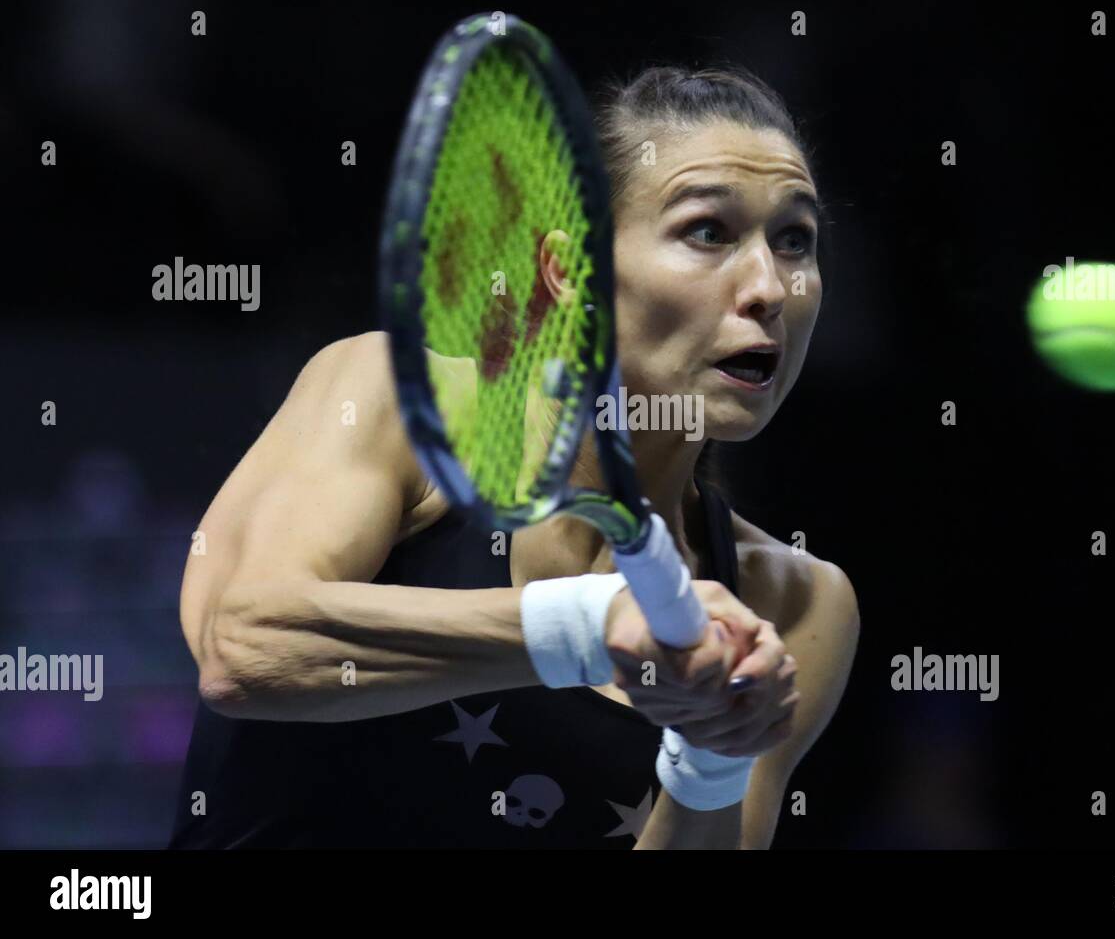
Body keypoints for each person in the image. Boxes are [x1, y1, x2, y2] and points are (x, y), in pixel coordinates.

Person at [169, 63, 859, 849]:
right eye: (708, 231)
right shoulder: (404, 403)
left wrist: (712, 751)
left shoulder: (794, 603)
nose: (770, 287)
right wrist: (594, 625)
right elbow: (244, 648)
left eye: (794, 240)